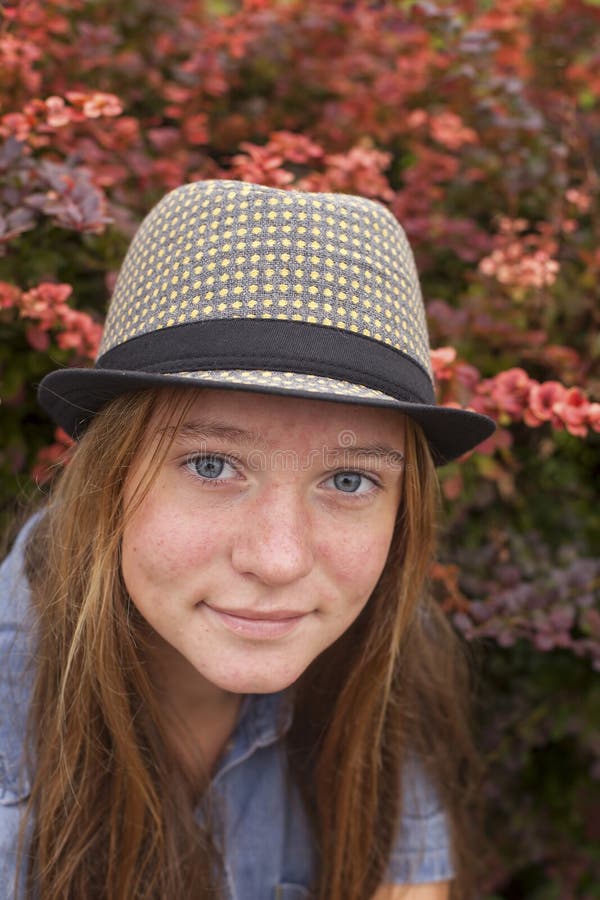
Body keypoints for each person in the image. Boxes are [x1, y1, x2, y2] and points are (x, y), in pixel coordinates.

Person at [0, 179, 495, 900]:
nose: (279, 560)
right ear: (107, 480)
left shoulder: (378, 643)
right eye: (211, 465)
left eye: (350, 481)